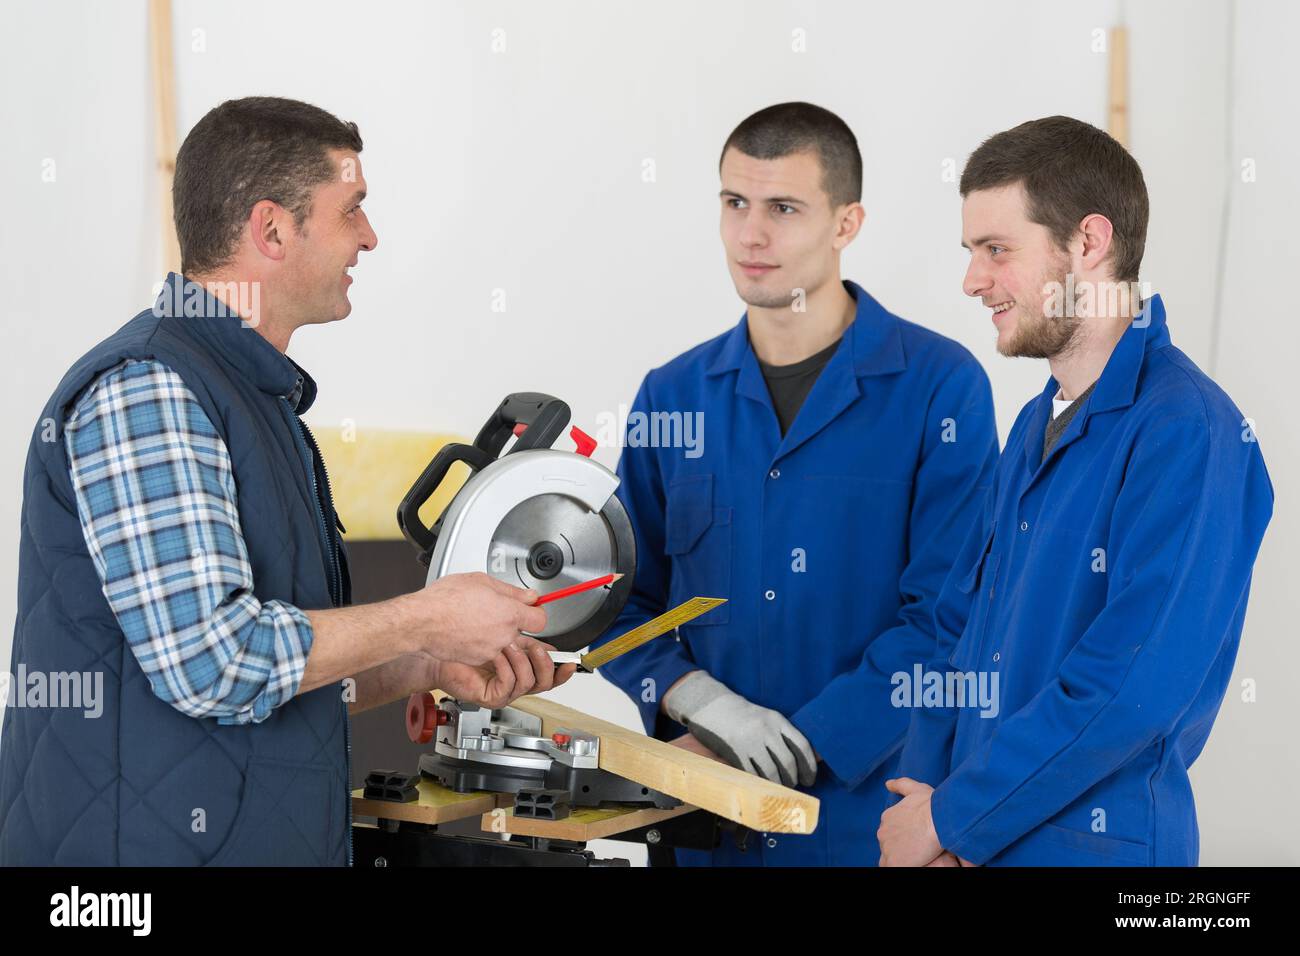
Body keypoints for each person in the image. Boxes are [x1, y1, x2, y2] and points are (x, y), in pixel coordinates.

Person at [0, 97, 574, 866]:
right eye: (352, 209)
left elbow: (274, 678)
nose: (369, 237)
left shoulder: (253, 399)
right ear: (272, 230)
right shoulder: (150, 389)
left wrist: (427, 665)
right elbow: (214, 664)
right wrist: (426, 618)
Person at [591, 102, 999, 865]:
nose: (751, 234)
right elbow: (617, 603)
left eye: (783, 208)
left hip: (870, 822)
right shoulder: (672, 395)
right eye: (734, 203)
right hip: (704, 822)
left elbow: (951, 619)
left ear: (847, 223)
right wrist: (698, 702)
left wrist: (801, 744)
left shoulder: (940, 388)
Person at [878, 116, 1273, 867]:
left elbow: (1131, 686)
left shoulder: (1188, 431)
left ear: (1089, 242)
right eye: (970, 253)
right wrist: (922, 805)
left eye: (997, 250)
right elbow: (957, 633)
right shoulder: (1036, 424)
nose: (972, 281)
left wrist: (952, 818)